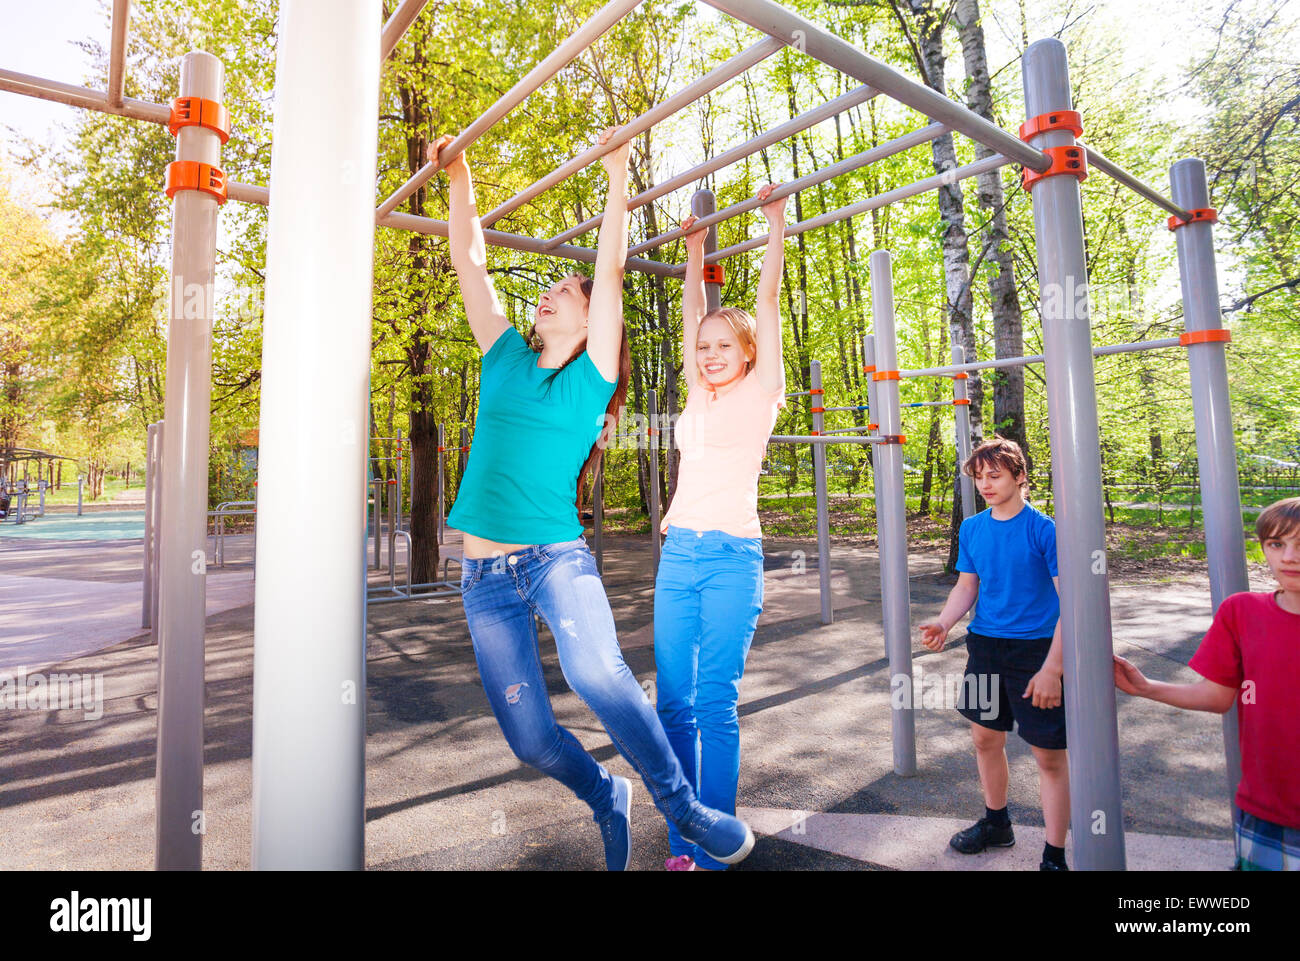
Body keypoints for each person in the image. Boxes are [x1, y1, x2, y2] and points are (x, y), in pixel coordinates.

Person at [430, 128, 755, 871]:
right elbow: (468, 261)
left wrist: (617, 179)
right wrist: (459, 175)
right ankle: (608, 793)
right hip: (482, 580)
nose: (548, 292)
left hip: (552, 559)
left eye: (563, 291)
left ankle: (686, 807)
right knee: (531, 739)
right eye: (547, 289)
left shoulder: (590, 381)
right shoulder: (504, 354)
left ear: (586, 323)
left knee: (599, 674)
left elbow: (608, 274)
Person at [654, 185, 787, 871]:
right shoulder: (699, 392)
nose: (708, 352)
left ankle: (714, 852)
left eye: (721, 345)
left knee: (713, 702)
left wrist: (774, 225)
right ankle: (682, 842)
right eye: (703, 346)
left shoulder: (762, 392)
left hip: (733, 555)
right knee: (671, 703)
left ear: (747, 352)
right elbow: (688, 312)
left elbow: (765, 303)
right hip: (679, 555)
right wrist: (696, 249)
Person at [1114, 496, 1300, 870]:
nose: (1289, 557)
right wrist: (1145, 687)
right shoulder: (1242, 612)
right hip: (1269, 809)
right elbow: (1217, 697)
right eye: (1277, 544)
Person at [917, 437, 1070, 871]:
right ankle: (997, 824)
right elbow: (967, 585)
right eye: (979, 476)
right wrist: (945, 623)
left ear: (1021, 477)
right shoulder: (973, 528)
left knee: (1048, 755)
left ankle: (1054, 854)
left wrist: (1052, 669)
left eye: (995, 475)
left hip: (1038, 653)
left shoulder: (1046, 530)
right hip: (985, 647)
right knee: (985, 737)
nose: (985, 483)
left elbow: (1071, 604)